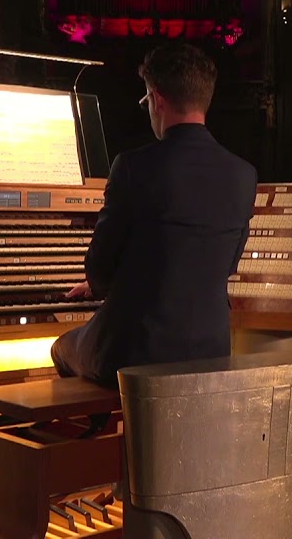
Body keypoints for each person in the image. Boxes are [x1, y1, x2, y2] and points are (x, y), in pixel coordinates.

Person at [50, 43, 257, 387]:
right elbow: (225, 263)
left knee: (61, 347)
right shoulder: (243, 173)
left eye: (146, 101)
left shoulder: (134, 167)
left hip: (134, 353)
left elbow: (99, 268)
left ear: (157, 99)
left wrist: (105, 284)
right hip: (211, 350)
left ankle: (103, 438)